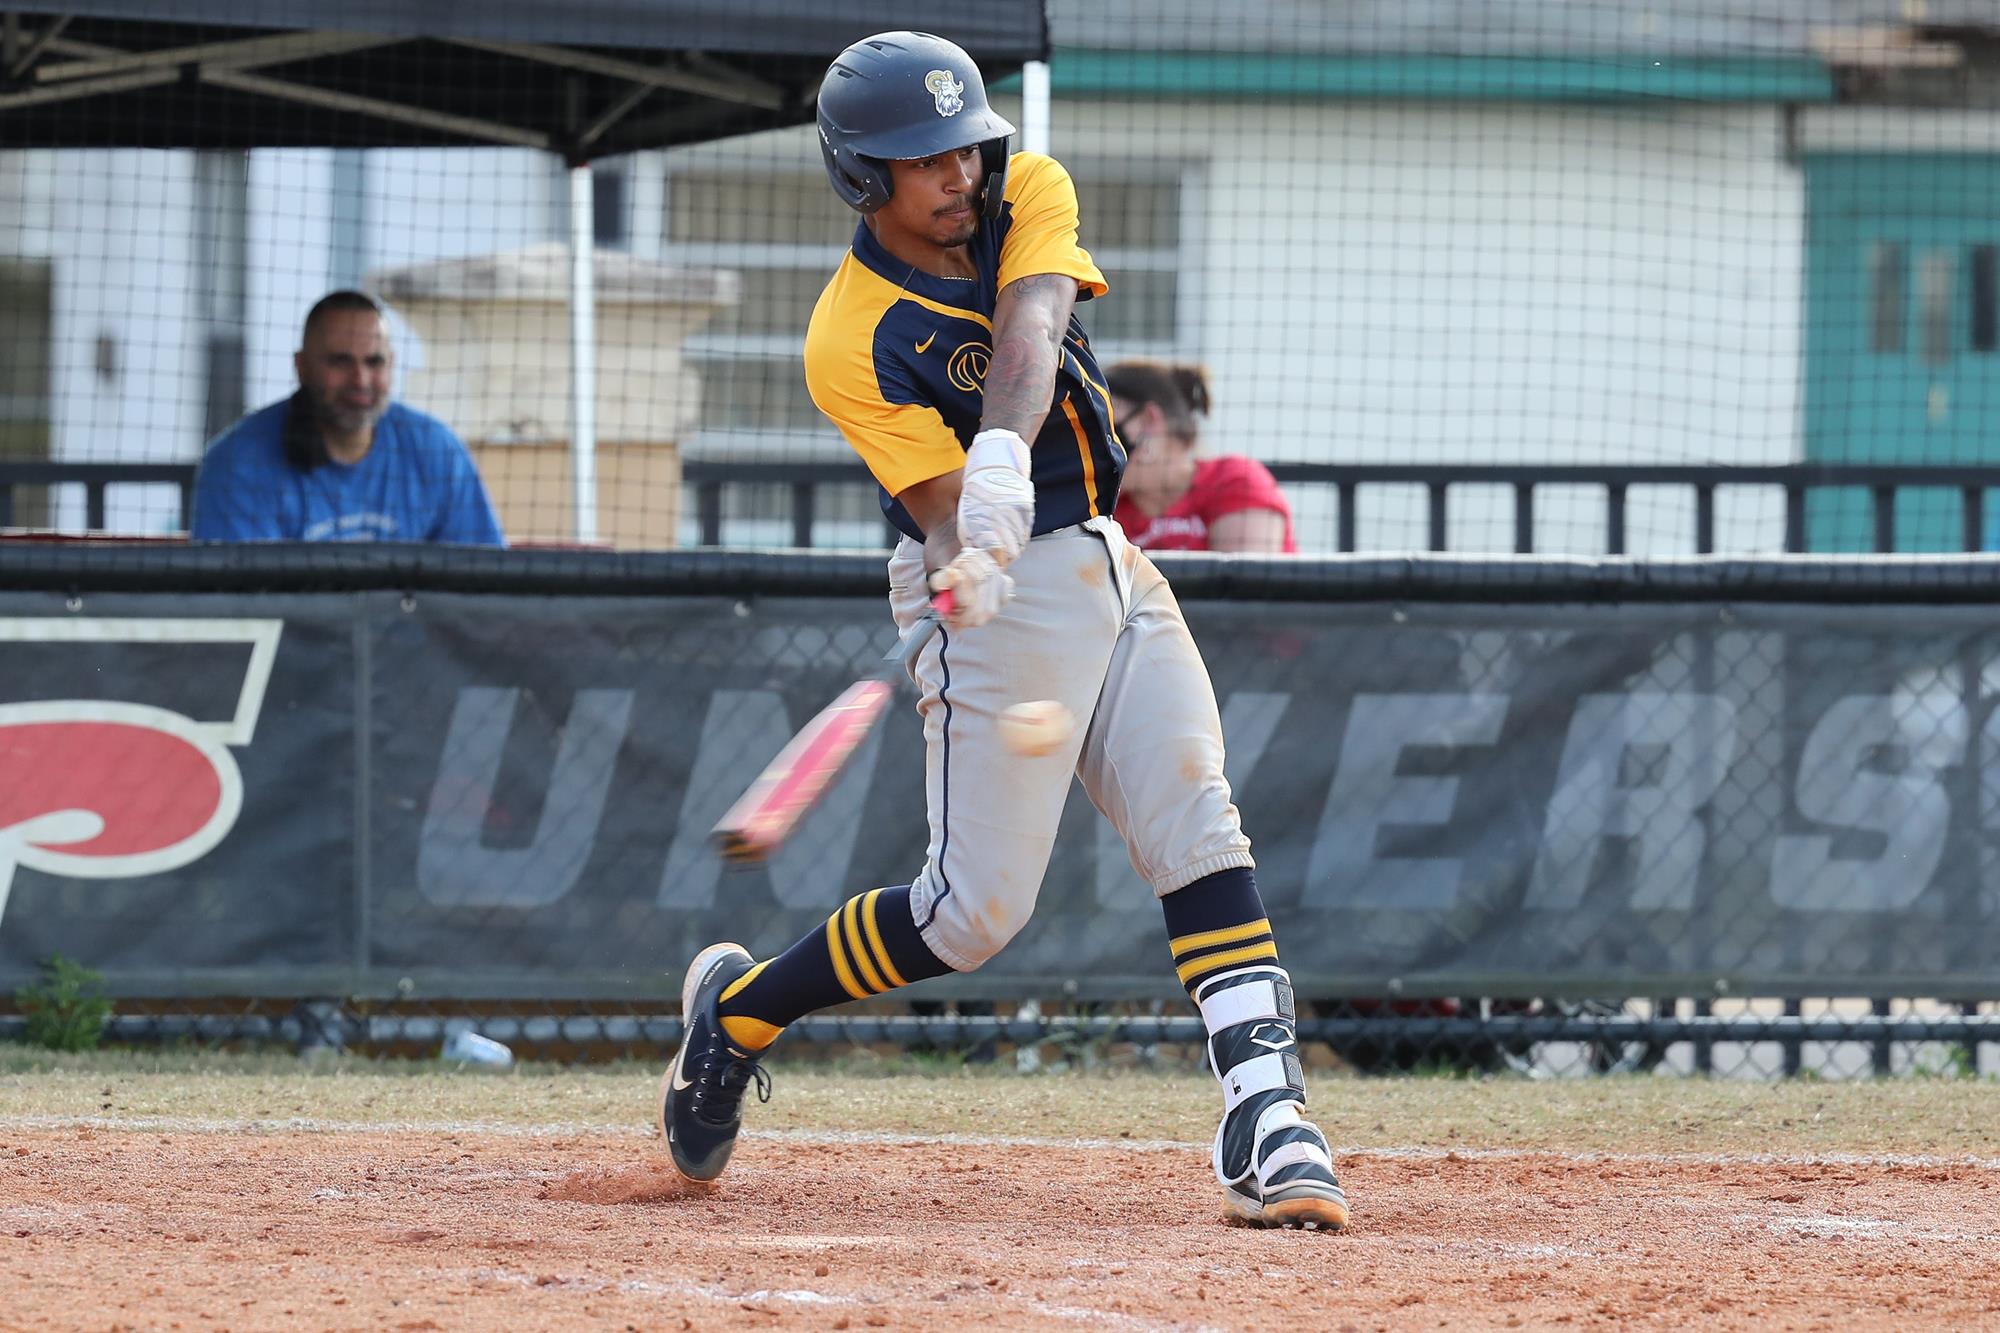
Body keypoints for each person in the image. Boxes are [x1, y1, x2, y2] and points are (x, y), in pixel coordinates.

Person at [658, 31, 1349, 1232]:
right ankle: (737, 1016)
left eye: (962, 148)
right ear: (858, 176)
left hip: (1102, 556)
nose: (957, 177)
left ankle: (1265, 1112)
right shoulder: (845, 337)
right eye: (919, 163)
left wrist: (993, 459)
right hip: (997, 591)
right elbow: (938, 520)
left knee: (1195, 810)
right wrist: (963, 551)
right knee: (967, 917)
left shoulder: (1028, 185)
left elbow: (1029, 325)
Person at [190, 290, 504, 545]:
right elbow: (239, 610)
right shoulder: (240, 465)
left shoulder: (437, 451)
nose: (361, 380)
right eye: (340, 362)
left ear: (392, 365)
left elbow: (483, 582)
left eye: (374, 361)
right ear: (302, 367)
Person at [1107, 361, 1296, 554]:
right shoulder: (1105, 509)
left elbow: (1245, 581)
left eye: (1106, 427)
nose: (1091, 444)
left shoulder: (1235, 480)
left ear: (1149, 421)